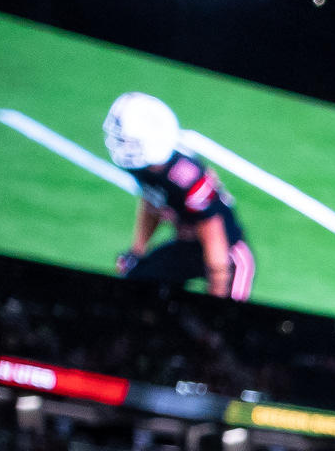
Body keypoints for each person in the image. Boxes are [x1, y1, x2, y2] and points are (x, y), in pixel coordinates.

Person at [100, 92, 255, 302]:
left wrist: (217, 293)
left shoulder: (187, 178)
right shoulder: (146, 165)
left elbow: (214, 240)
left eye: (126, 139)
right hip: (188, 246)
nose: (120, 142)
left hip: (227, 255)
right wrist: (137, 252)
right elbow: (152, 202)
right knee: (138, 278)